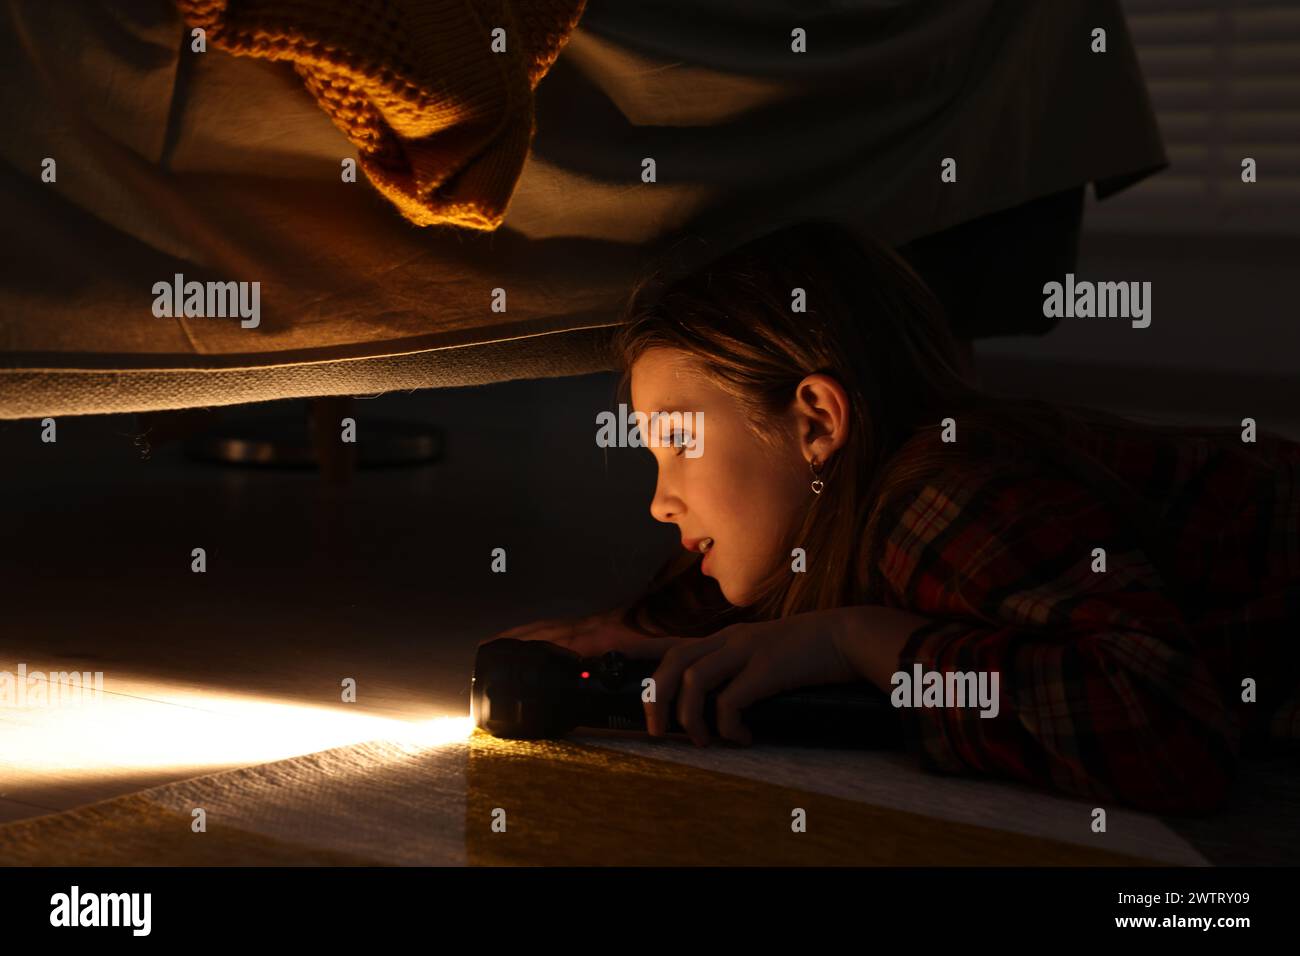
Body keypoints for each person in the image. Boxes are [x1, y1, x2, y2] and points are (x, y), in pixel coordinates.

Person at [494, 220, 1300, 815]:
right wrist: (620, 634)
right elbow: (742, 600)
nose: (658, 499)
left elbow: (1170, 733)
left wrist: (857, 640)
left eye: (677, 441)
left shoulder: (938, 499)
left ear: (815, 421)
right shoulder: (845, 507)